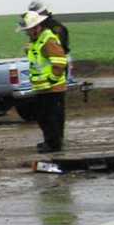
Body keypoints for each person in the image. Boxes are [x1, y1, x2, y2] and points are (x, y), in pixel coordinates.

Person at [19, 9, 69, 152]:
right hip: (44, 88)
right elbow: (39, 59)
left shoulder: (48, 40)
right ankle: (51, 141)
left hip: (52, 88)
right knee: (44, 117)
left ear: (36, 28)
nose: (27, 33)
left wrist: (51, 80)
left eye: (28, 30)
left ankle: (53, 144)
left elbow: (59, 62)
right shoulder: (38, 40)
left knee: (51, 118)